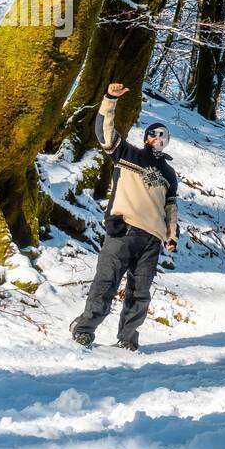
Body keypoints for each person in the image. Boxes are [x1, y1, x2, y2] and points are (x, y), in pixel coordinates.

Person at [70, 82, 179, 351]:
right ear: (146, 138)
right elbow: (104, 131)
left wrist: (171, 236)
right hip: (123, 229)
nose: (159, 138)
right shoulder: (127, 154)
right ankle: (84, 329)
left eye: (163, 135)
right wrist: (109, 99)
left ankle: (128, 339)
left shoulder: (169, 175)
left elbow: (171, 209)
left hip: (152, 239)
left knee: (139, 293)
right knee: (106, 283)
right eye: (154, 134)